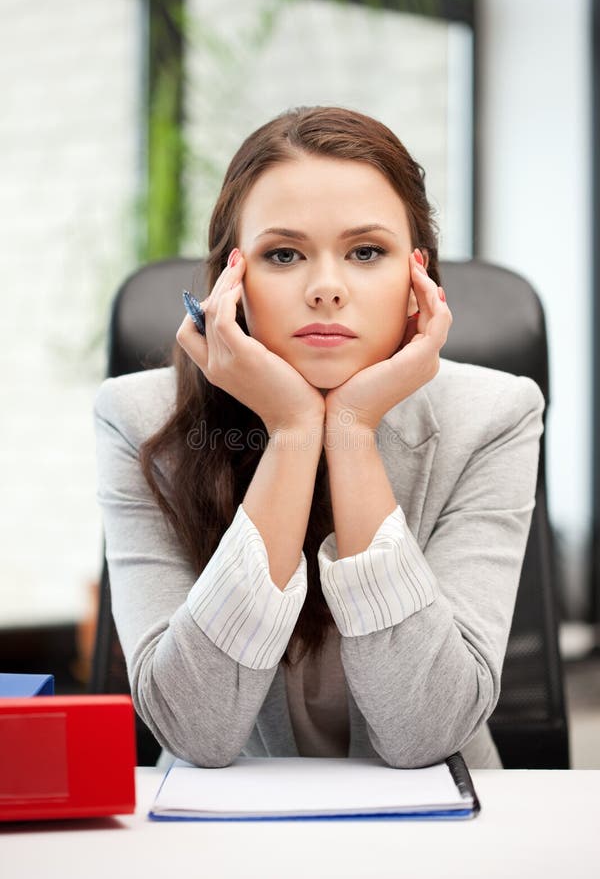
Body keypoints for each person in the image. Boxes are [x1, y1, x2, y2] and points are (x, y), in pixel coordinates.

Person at [93, 105, 545, 770]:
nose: (327, 289)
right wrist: (294, 430)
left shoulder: (496, 415)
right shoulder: (135, 418)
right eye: (284, 254)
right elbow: (194, 731)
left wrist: (352, 429)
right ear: (231, 284)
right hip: (221, 822)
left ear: (416, 279)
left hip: (437, 823)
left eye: (366, 252)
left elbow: (428, 731)